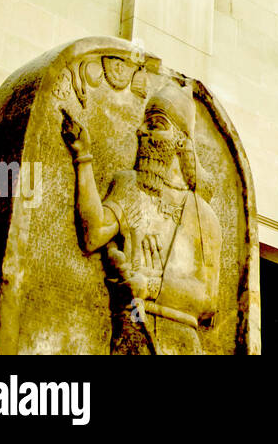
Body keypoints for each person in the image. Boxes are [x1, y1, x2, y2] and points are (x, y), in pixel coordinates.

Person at [61, 82, 221, 354]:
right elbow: (93, 235)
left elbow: (207, 301)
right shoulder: (130, 186)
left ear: (181, 141)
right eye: (144, 124)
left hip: (182, 344)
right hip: (132, 333)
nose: (141, 132)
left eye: (155, 125)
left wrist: (149, 286)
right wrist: (83, 157)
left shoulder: (202, 214)